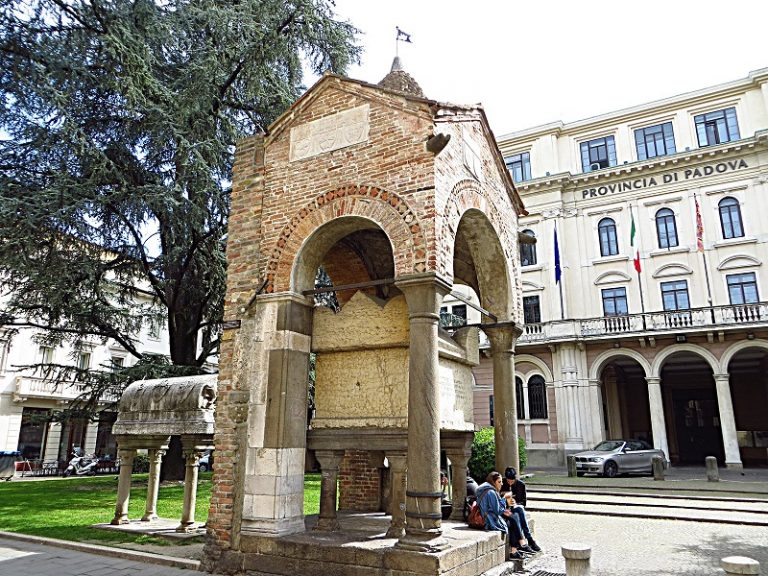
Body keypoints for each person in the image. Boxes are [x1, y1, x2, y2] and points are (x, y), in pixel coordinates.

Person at [475, 471, 533, 560]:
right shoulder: (491, 492)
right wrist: (504, 498)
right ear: (493, 482)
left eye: (502, 481)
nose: (501, 484)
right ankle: (520, 545)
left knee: (514, 518)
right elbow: (498, 511)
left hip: (489, 516)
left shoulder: (485, 489)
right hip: (490, 521)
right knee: (513, 520)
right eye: (499, 482)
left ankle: (516, 549)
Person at [501, 467, 541, 552]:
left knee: (519, 510)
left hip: (516, 507)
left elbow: (523, 502)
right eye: (508, 481)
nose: (510, 483)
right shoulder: (502, 483)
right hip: (505, 509)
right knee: (517, 515)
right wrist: (503, 496)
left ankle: (528, 540)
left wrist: (516, 503)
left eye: (512, 481)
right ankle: (529, 540)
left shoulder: (521, 485)